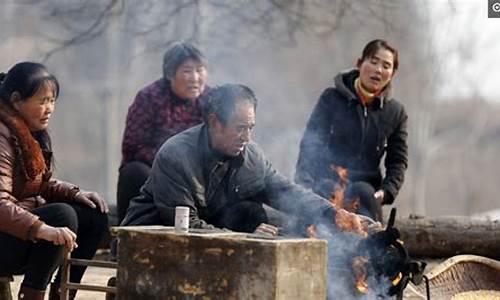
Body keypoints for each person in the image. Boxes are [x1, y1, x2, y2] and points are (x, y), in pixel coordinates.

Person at [121, 84, 364, 236]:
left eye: (250, 128)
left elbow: (286, 191)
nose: (246, 137)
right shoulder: (176, 155)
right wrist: (246, 238)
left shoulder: (251, 156)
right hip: (155, 236)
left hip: (210, 230)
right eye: (239, 128)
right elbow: (185, 225)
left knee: (253, 213)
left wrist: (333, 213)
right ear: (215, 121)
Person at [0, 62, 109, 300]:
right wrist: (42, 228)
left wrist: (75, 193)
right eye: (42, 101)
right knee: (62, 216)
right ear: (17, 100)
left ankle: (62, 294)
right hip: (5, 236)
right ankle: (32, 295)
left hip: (18, 226)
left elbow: (37, 182)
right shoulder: (2, 134)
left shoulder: (26, 132)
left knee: (94, 214)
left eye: (52, 101)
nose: (49, 108)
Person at [295, 39, 408, 222]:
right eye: (373, 61)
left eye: (386, 66)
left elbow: (398, 161)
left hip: (365, 189)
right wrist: (304, 184)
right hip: (326, 181)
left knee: (364, 194)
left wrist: (386, 192)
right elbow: (311, 143)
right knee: (326, 191)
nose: (378, 70)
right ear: (359, 63)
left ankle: (372, 248)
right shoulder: (331, 98)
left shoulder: (395, 112)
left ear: (392, 73)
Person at [117, 42, 209, 224]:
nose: (195, 78)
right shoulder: (149, 98)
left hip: (199, 177)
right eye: (187, 71)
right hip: (155, 174)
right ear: (170, 74)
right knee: (134, 172)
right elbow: (133, 147)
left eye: (200, 70)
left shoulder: (212, 101)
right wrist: (173, 166)